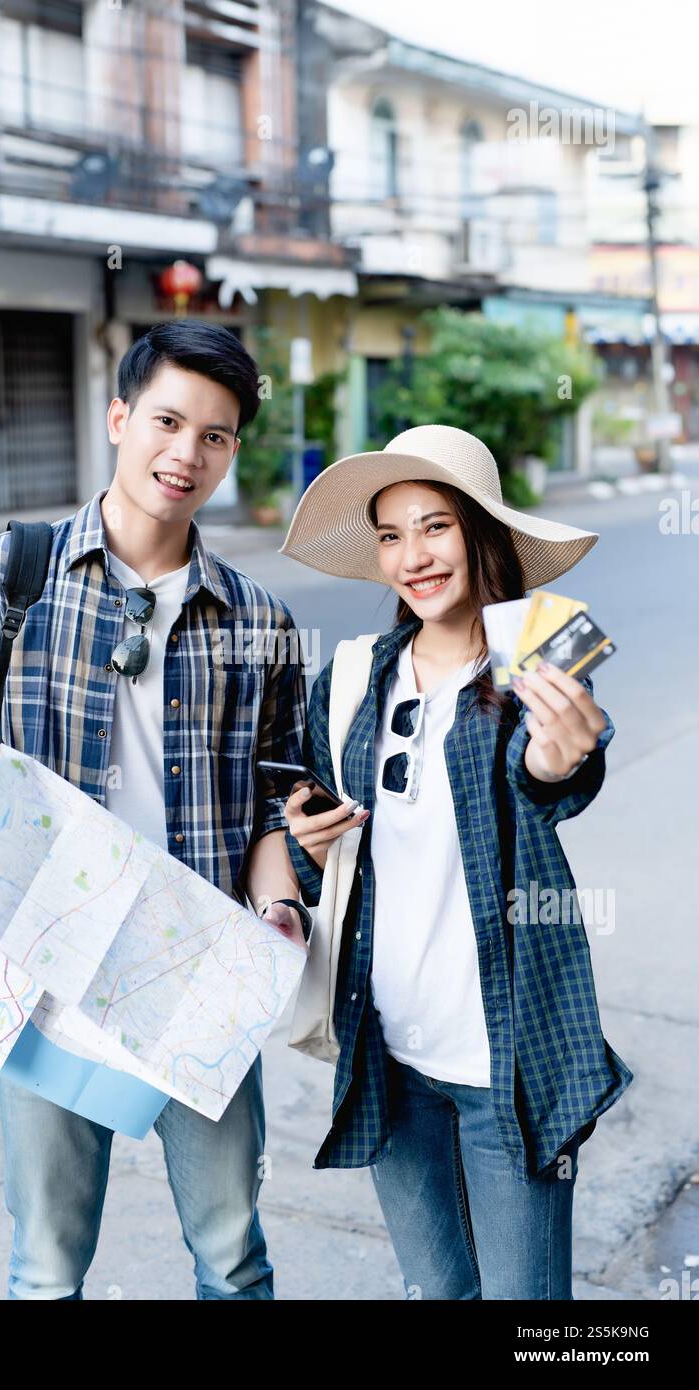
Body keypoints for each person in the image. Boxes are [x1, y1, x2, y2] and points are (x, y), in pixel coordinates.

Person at [0, 321, 312, 1301]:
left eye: (216, 435)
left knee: (233, 1257)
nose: (185, 453)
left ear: (233, 451)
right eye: (166, 420)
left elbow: (280, 794)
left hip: (196, 963)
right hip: (46, 965)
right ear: (118, 417)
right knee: (47, 1266)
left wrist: (277, 910)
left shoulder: (260, 622)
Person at [279, 423, 634, 1301]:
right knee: (440, 1295)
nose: (412, 555)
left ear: (480, 533)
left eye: (434, 526)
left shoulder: (537, 663)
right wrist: (304, 840)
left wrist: (559, 757)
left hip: (507, 1061)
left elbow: (553, 776)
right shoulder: (356, 675)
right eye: (392, 535)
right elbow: (313, 839)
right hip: (388, 1053)